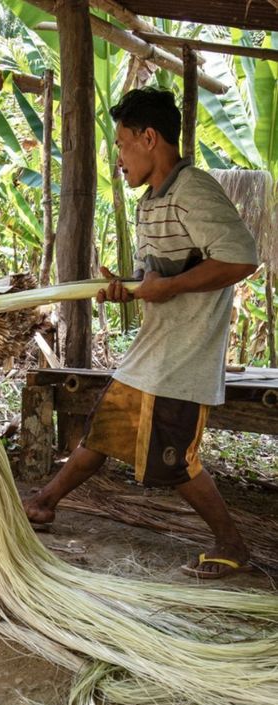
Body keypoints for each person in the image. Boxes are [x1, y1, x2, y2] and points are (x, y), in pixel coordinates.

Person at [24, 87, 258, 580]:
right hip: (152, 353)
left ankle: (232, 545)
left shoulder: (192, 189)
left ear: (149, 138)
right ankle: (44, 503)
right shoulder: (155, 199)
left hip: (182, 359)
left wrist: (166, 286)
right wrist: (127, 289)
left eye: (122, 144)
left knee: (176, 462)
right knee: (104, 431)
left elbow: (239, 259)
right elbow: (160, 278)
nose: (119, 159)